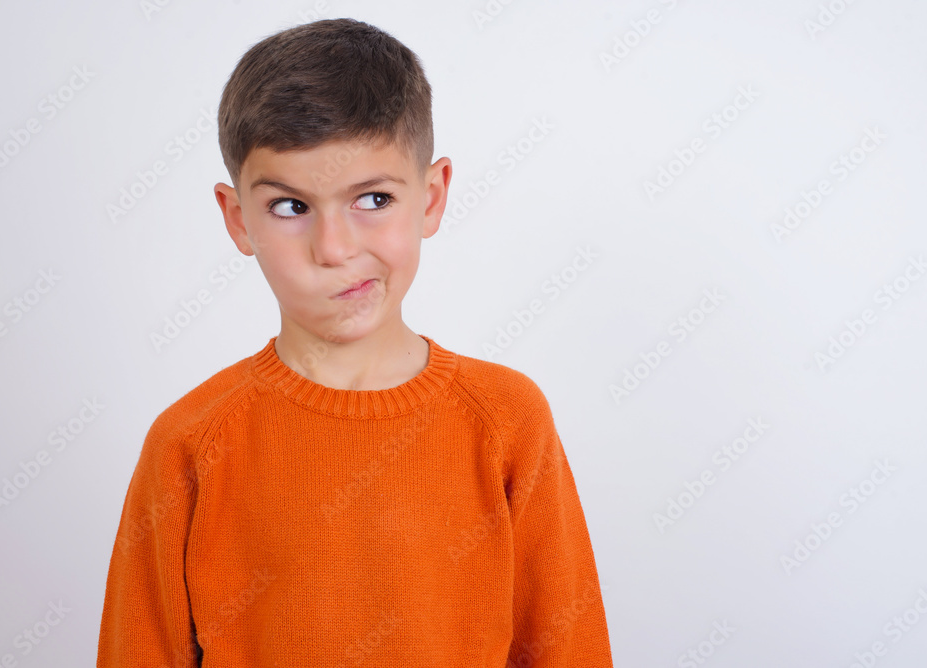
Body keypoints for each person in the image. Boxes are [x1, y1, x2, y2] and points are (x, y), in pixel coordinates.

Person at [96, 17, 613, 667]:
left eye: (372, 198)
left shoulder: (509, 421)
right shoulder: (188, 443)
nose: (335, 250)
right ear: (238, 219)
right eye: (291, 207)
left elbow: (567, 649)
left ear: (431, 198)